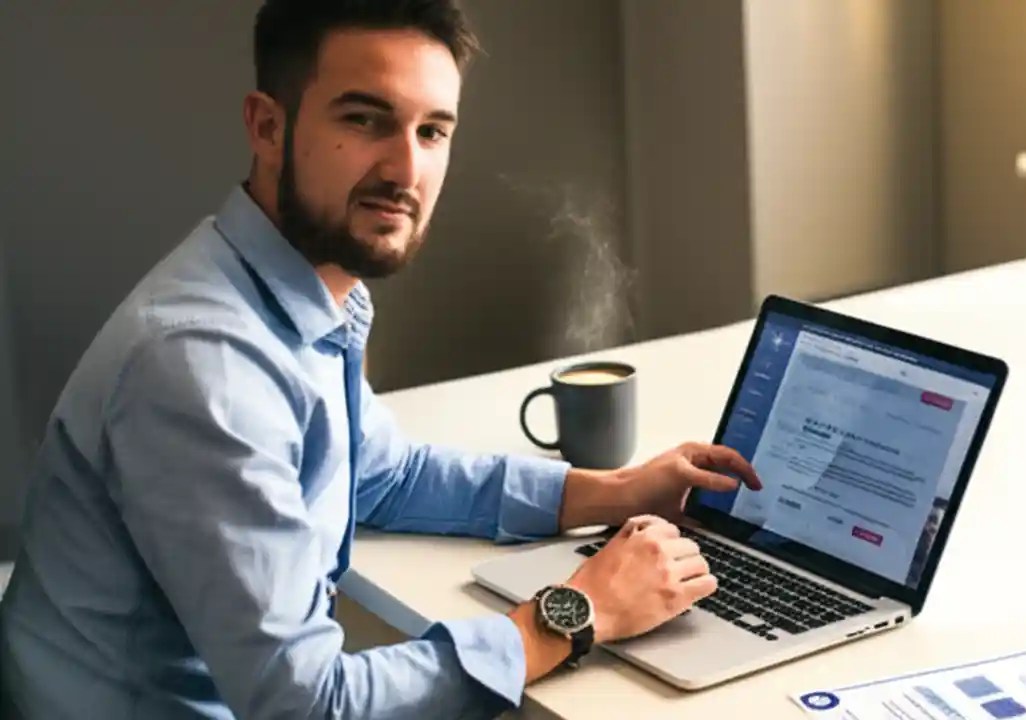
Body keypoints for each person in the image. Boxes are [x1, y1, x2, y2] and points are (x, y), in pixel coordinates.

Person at [0, 1, 762, 717]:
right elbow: (308, 703)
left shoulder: (299, 294)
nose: (405, 170)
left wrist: (615, 491)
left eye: (433, 132)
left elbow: (382, 471)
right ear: (267, 126)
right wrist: (575, 612)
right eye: (366, 120)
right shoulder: (205, 367)